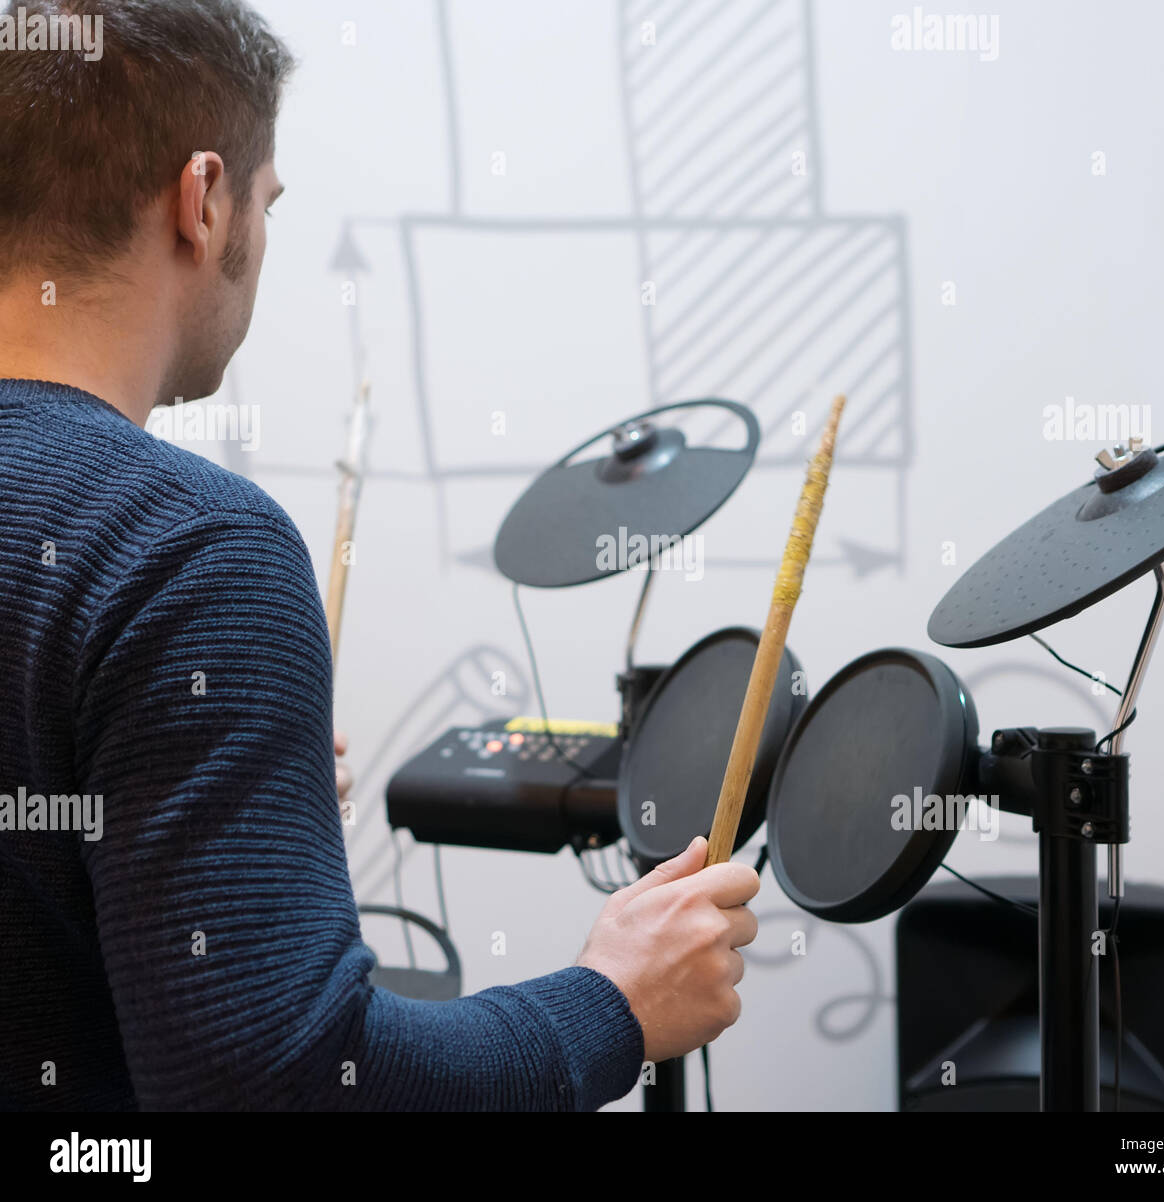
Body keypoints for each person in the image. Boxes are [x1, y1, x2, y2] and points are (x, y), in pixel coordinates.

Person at [0, 0, 759, 1111]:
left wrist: (200, 819)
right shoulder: (190, 551)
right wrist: (614, 999)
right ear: (201, 200)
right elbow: (286, 1084)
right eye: (267, 200)